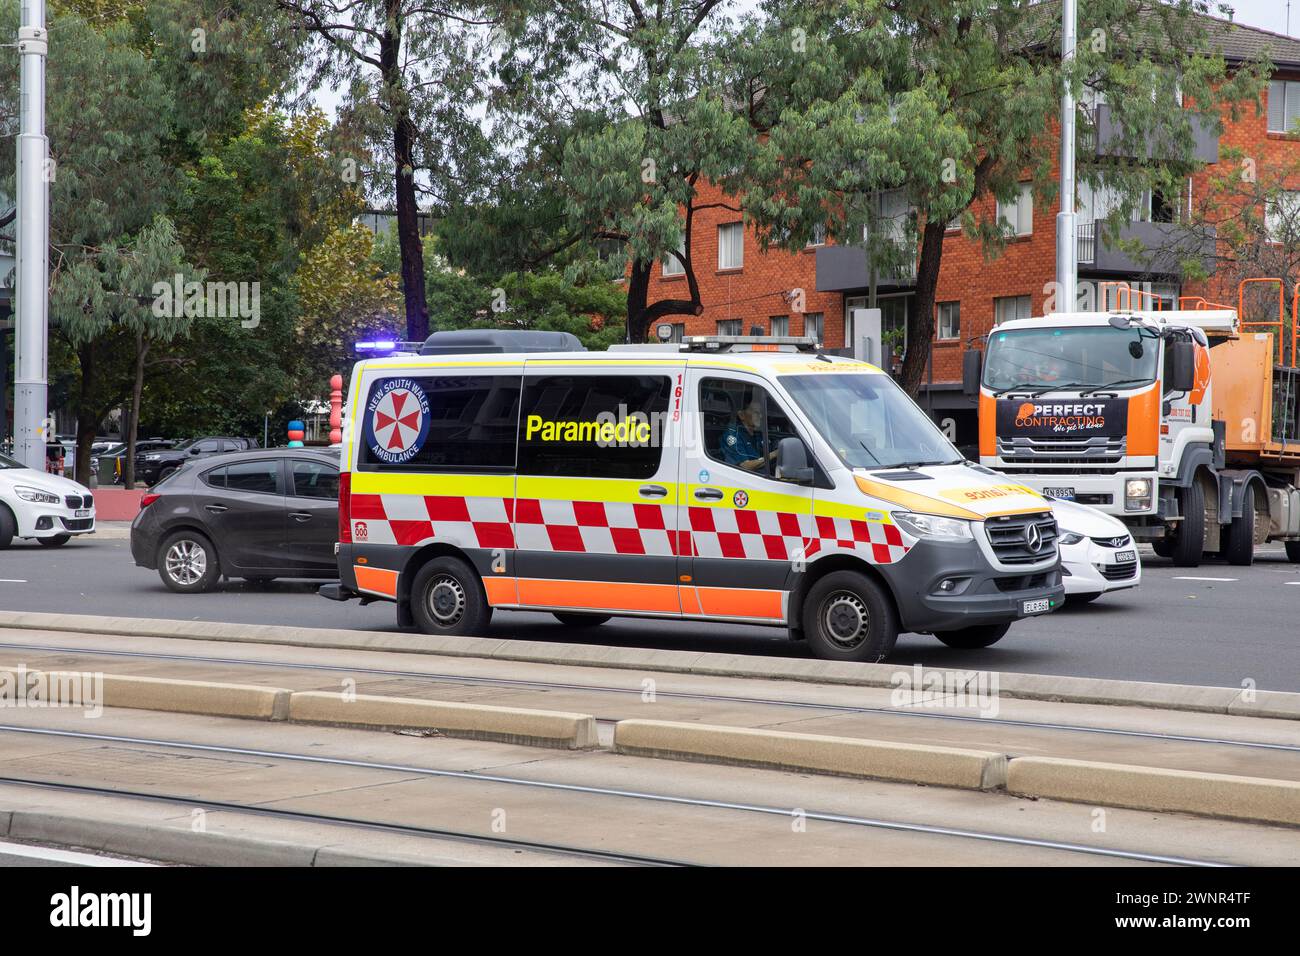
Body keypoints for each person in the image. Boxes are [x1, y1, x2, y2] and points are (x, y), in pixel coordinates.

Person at [720, 396, 778, 472]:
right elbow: (745, 466)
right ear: (742, 415)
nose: (760, 416)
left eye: (761, 413)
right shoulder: (733, 435)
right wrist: (775, 454)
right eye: (756, 413)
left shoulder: (758, 434)